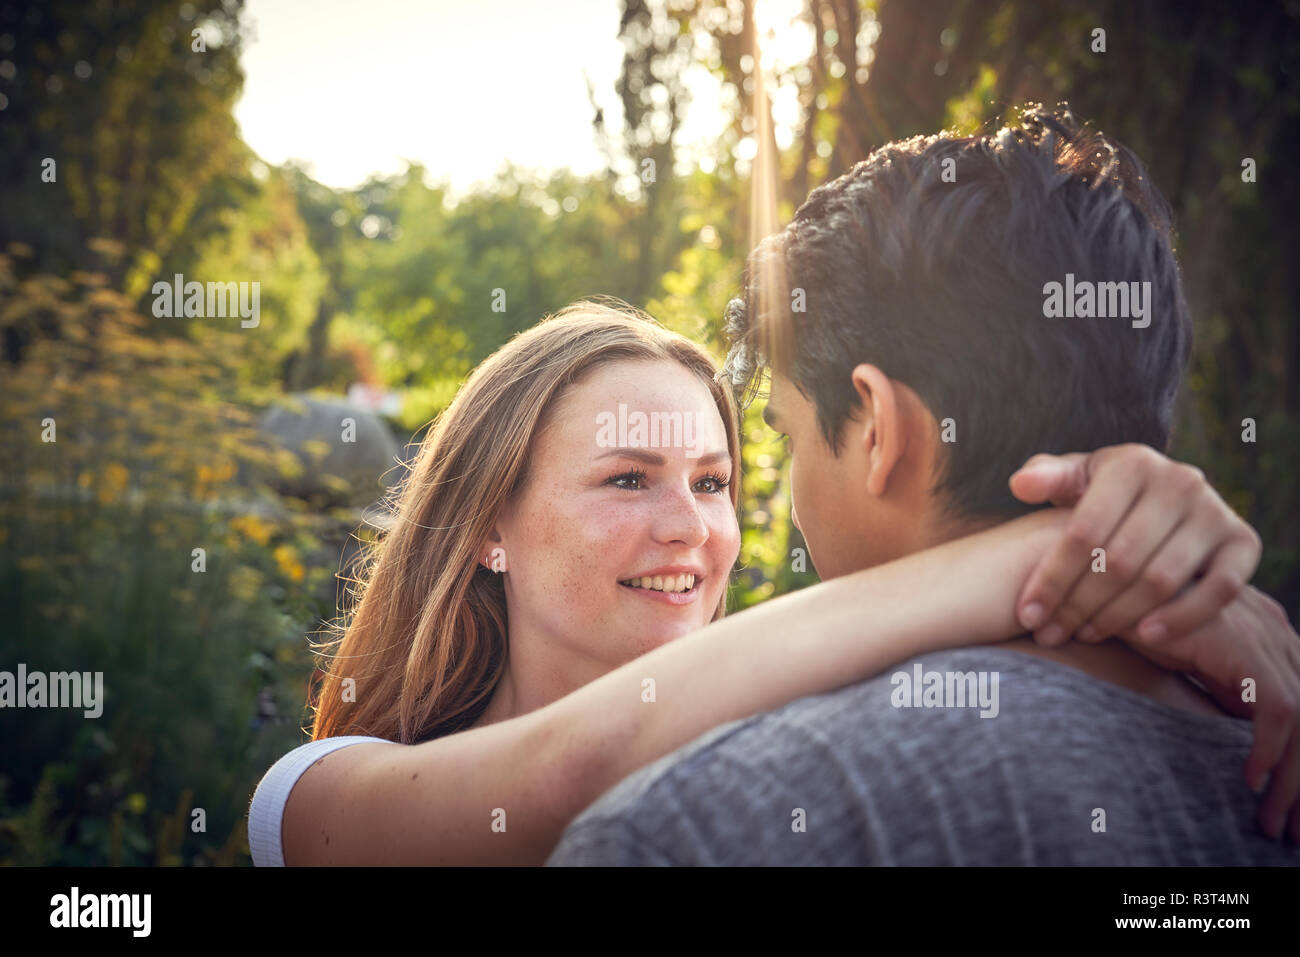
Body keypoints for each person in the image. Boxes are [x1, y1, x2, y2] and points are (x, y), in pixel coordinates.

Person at [247, 299, 1291, 867]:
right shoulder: (315, 795)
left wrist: (1160, 591)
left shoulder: (792, 764)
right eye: (626, 479)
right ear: (488, 532)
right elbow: (565, 775)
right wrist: (1057, 551)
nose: (691, 529)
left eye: (713, 482)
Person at [544, 106, 1300, 866]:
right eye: (629, 478)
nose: (692, 524)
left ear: (876, 427)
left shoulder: (709, 824)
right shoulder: (1272, 756)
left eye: (786, 436)